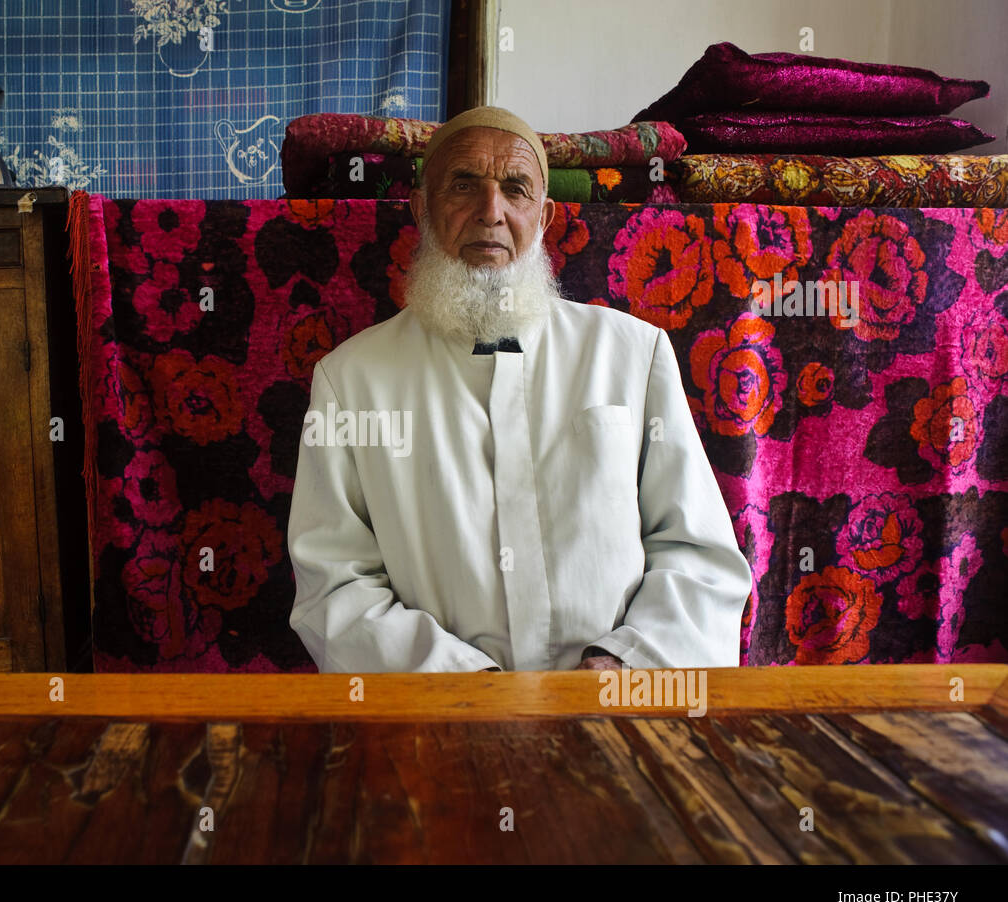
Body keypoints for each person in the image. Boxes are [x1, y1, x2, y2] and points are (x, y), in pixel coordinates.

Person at [286, 106, 752, 673]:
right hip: (443, 723)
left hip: (616, 715)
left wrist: (621, 666)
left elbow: (699, 556)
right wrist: (469, 689)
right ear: (421, 206)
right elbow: (333, 587)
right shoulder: (351, 380)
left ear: (545, 215)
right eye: (463, 185)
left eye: (516, 189)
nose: (492, 212)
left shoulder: (632, 353)